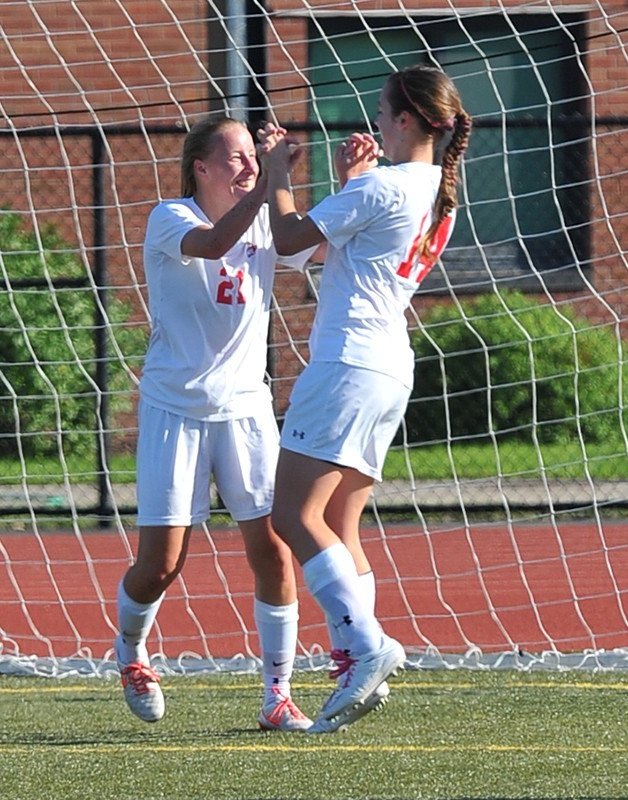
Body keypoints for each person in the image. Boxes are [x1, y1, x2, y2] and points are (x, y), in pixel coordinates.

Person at [263, 64, 471, 733]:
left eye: (382, 110)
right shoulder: (437, 191)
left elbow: (288, 242)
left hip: (348, 362)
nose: (375, 120)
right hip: (386, 367)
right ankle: (356, 657)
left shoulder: (385, 185)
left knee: (292, 515)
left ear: (405, 119)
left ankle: (366, 644)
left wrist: (276, 174)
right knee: (340, 523)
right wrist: (349, 184)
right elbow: (325, 256)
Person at [114, 116, 316, 731]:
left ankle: (277, 695)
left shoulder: (268, 215)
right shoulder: (170, 218)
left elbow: (317, 248)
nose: (249, 164)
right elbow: (214, 243)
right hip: (175, 410)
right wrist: (268, 184)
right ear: (200, 168)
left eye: (254, 154)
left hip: (246, 409)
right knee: (162, 564)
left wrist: (353, 181)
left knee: (275, 549)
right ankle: (131, 652)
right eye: (236, 157)